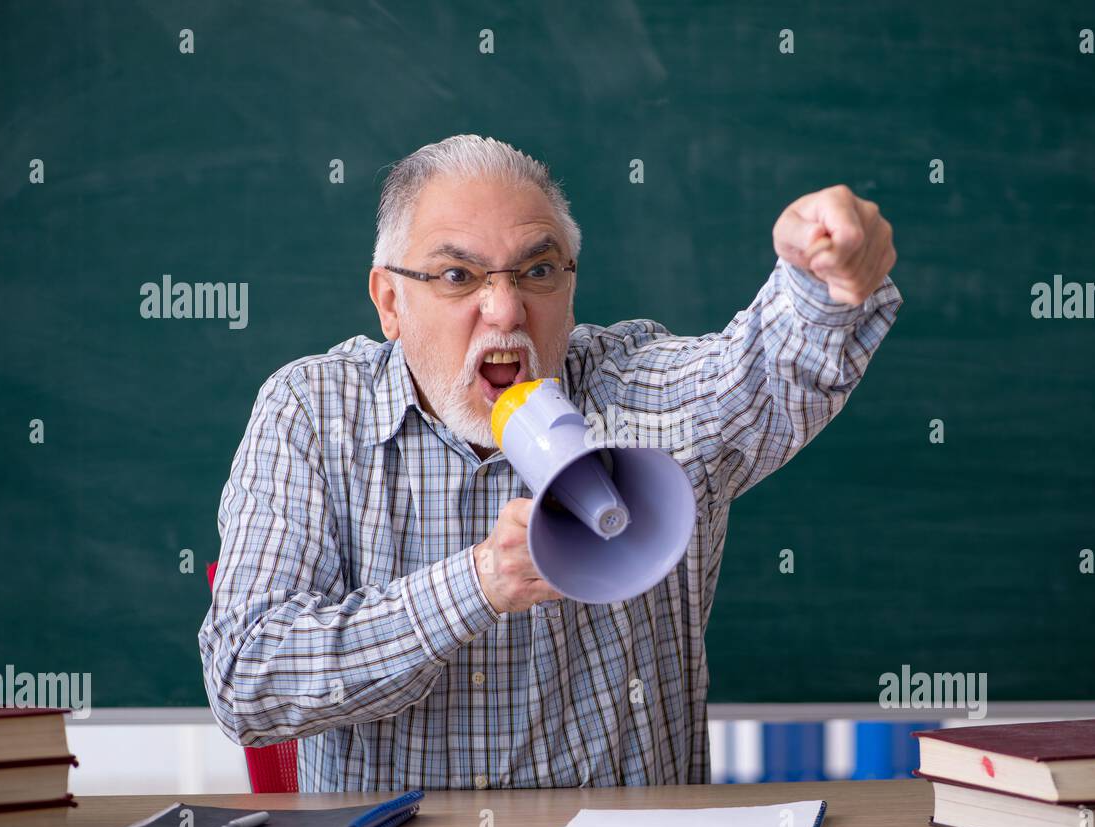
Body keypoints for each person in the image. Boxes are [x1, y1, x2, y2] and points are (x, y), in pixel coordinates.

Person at [198, 133, 902, 791]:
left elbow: (756, 380)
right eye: (456, 275)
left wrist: (822, 277)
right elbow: (245, 680)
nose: (504, 311)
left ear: (569, 285)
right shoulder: (313, 412)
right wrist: (477, 584)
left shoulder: (630, 390)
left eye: (537, 270)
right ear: (391, 300)